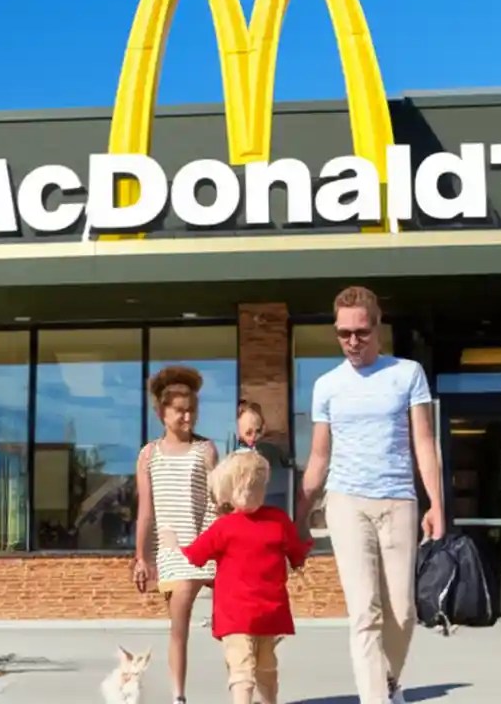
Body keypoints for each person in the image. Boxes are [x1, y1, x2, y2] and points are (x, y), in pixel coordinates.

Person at [295, 285, 446, 704]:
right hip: (346, 502)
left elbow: (424, 442)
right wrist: (301, 512)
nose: (352, 342)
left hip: (398, 500)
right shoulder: (326, 385)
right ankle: (375, 698)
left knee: (403, 613)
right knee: (365, 612)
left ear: (378, 328)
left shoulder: (407, 373)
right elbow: (319, 456)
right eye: (344, 333)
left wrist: (436, 503)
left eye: (360, 332)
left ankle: (389, 682)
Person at [162, 448, 313, 704]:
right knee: (267, 668)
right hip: (270, 612)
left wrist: (173, 545)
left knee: (241, 671)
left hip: (235, 615)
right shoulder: (278, 521)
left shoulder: (223, 527)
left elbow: (196, 556)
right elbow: (297, 556)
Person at [133, 365, 219, 704]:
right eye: (180, 411)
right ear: (161, 413)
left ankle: (243, 685)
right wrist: (142, 558)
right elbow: (145, 511)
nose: (188, 417)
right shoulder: (149, 455)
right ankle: (179, 696)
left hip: (207, 543)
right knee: (178, 626)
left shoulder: (206, 450)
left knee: (230, 623)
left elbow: (219, 500)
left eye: (192, 410)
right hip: (170, 548)